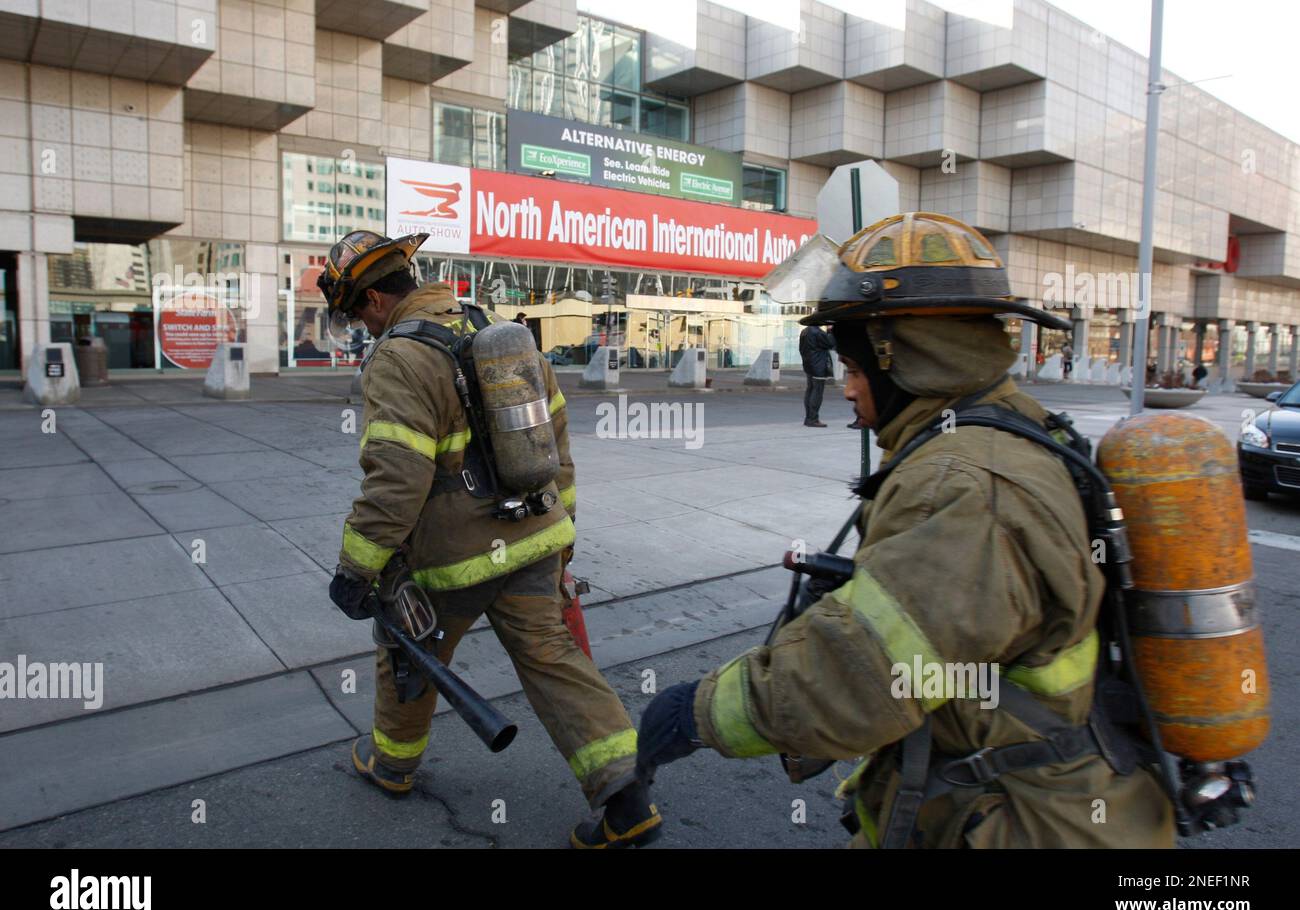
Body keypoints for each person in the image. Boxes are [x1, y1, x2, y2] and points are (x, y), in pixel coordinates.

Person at [635, 213, 1175, 848]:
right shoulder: (1006, 429)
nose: (846, 391)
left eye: (856, 368)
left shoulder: (966, 484)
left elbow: (860, 677)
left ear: (901, 357)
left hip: (1021, 823)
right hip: (997, 793)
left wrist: (698, 713)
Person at [318, 231, 660, 849]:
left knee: (405, 648)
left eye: (354, 313)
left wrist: (356, 568)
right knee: (553, 658)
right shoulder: (495, 330)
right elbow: (557, 439)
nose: (359, 326)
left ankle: (393, 765)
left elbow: (396, 477)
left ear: (371, 299)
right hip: (535, 534)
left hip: (454, 560)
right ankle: (627, 800)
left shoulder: (399, 357)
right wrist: (566, 537)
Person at [799, 321, 835, 426]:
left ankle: (808, 417)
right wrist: (830, 330)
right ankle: (813, 419)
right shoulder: (818, 332)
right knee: (817, 392)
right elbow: (831, 343)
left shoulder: (804, 332)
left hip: (809, 364)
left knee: (810, 390)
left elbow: (801, 349)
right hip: (818, 365)